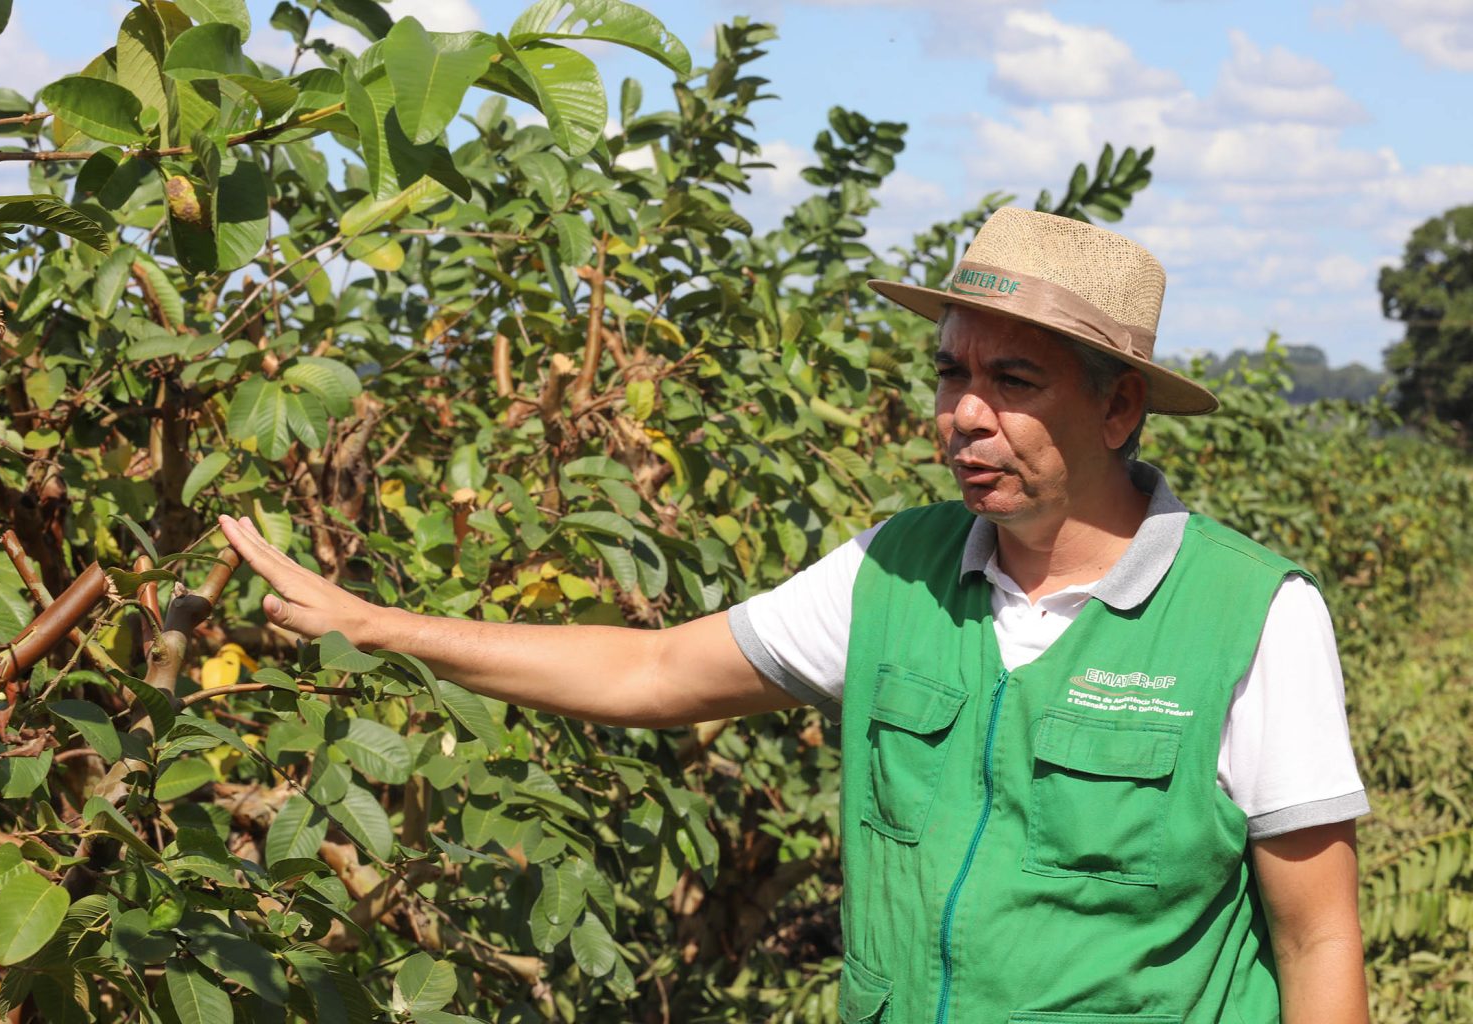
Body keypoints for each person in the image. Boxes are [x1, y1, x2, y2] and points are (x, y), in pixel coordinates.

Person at [218, 207, 1370, 1023]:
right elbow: (654, 673)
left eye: (1013, 382)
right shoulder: (895, 572)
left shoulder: (1251, 616)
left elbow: (1317, 938)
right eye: (951, 374)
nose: (963, 415)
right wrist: (376, 625)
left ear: (1120, 407)